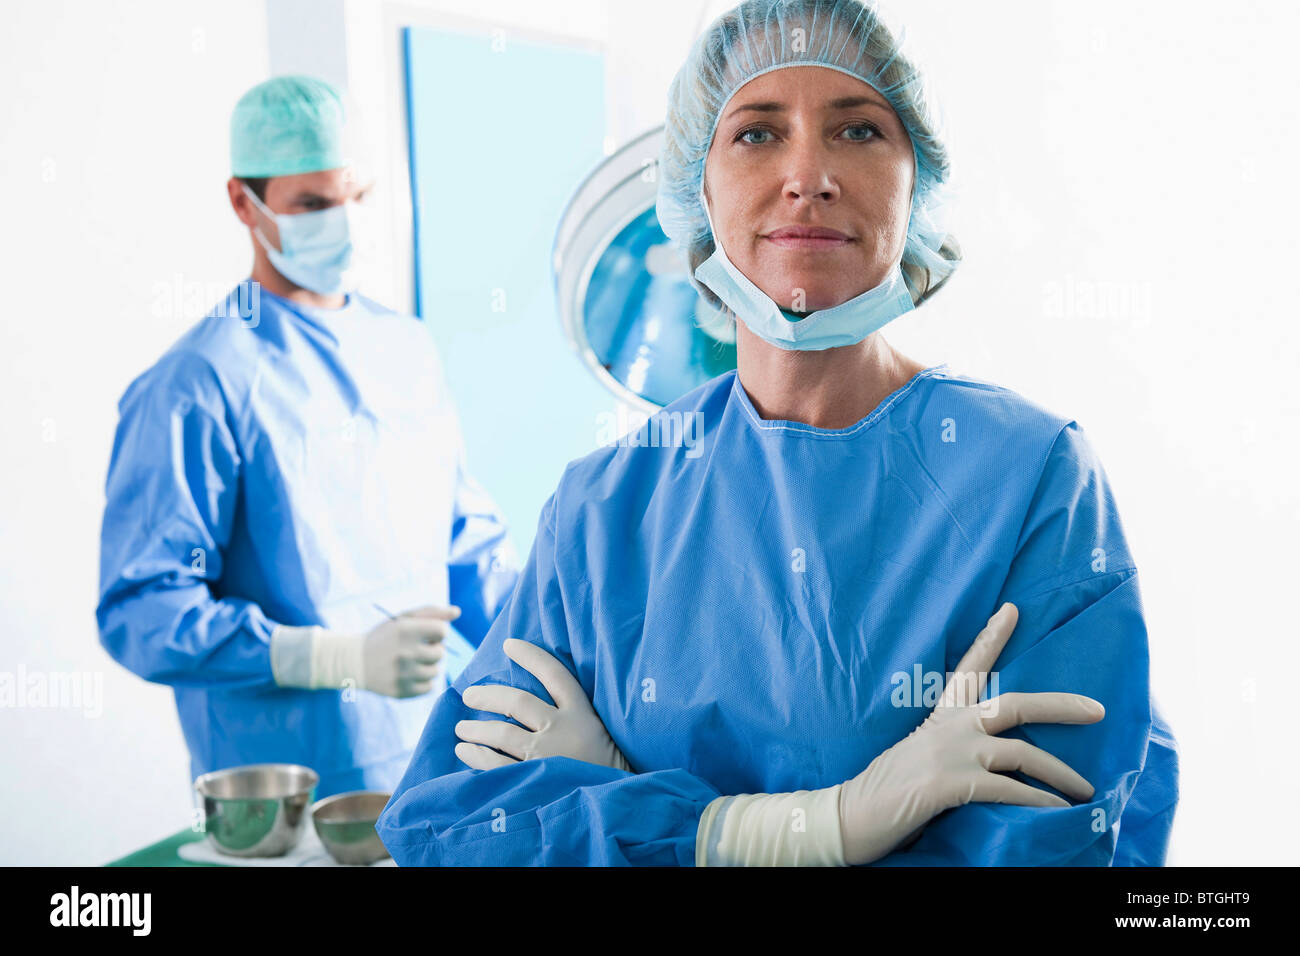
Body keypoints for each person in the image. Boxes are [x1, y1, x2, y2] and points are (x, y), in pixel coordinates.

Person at [376, 0, 1179, 865]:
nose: (808, 175)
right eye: (757, 133)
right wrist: (811, 827)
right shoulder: (604, 508)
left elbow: (1055, 850)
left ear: (919, 182)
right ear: (697, 185)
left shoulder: (1029, 483)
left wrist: (619, 814)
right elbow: (445, 830)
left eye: (859, 130)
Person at [97, 75, 518, 797]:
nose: (344, 221)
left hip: (438, 758)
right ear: (243, 203)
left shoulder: (405, 348)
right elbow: (141, 609)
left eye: (356, 195)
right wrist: (327, 658)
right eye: (314, 205)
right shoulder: (200, 382)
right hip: (289, 790)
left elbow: (467, 545)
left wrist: (553, 657)